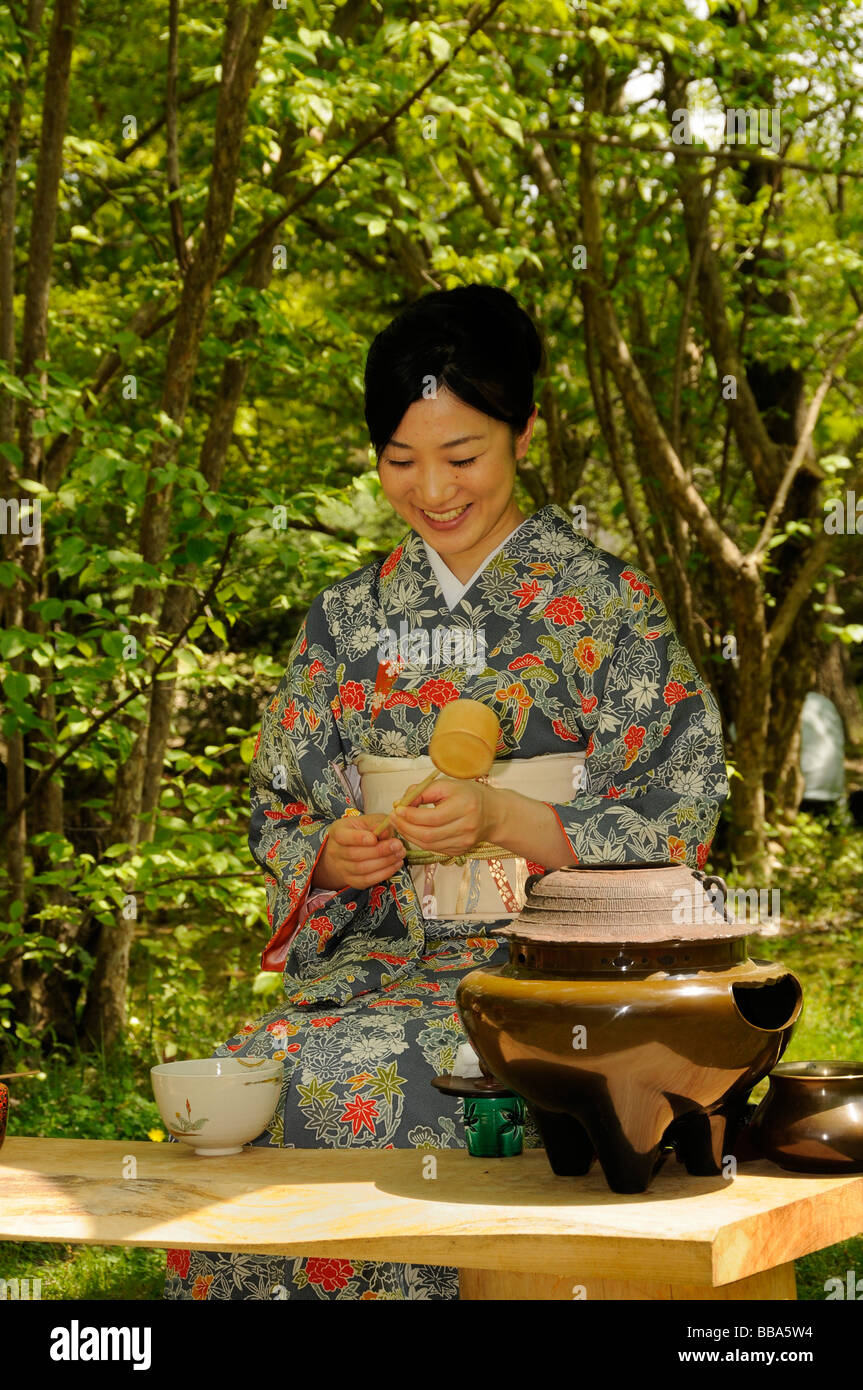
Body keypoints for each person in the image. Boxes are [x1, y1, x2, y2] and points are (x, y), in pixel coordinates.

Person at [164, 284, 728, 1300]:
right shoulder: (345, 621)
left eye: (461, 456)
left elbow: (680, 814)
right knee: (246, 1081)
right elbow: (281, 807)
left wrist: (513, 820)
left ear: (525, 430)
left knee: (403, 1083)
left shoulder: (608, 610)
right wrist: (331, 857)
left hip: (560, 979)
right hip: (383, 964)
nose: (431, 489)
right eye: (399, 460)